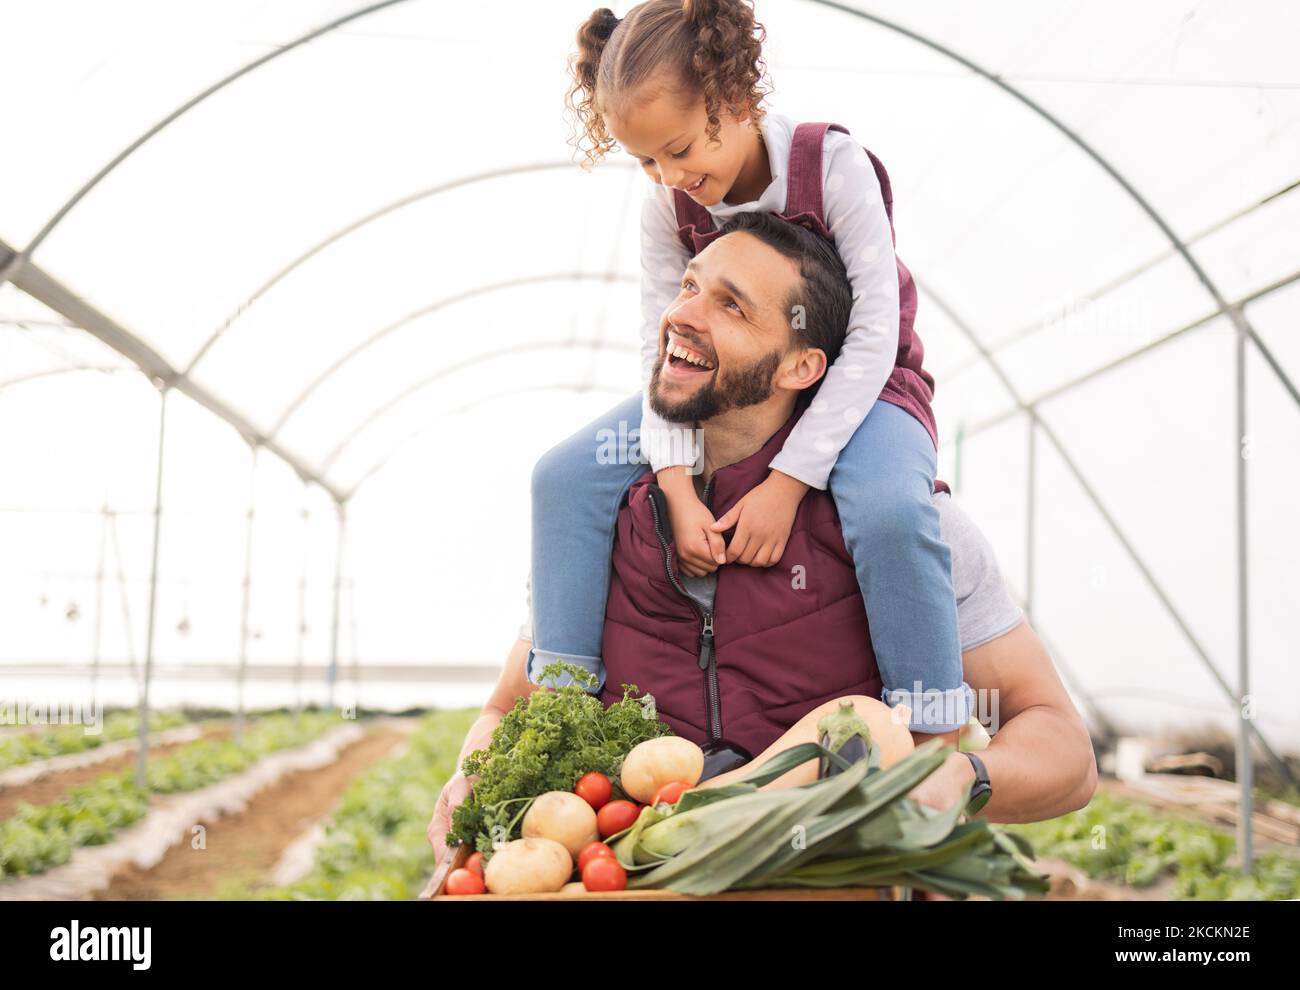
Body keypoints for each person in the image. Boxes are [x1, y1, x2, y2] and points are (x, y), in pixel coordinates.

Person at [426, 213, 1098, 871]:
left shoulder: (902, 530)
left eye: (732, 306)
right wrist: (471, 772)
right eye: (689, 286)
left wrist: (965, 777)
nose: (682, 315)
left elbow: (1063, 748)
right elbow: (508, 706)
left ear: (801, 366)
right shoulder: (593, 525)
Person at [530, 0, 971, 740]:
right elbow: (658, 348)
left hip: (865, 385)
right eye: (646, 162)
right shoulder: (666, 204)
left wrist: (789, 481)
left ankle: (930, 729)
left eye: (678, 150)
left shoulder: (831, 165)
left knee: (890, 511)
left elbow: (874, 333)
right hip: (722, 387)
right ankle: (563, 703)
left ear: (732, 99)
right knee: (564, 477)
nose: (670, 176)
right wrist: (676, 485)